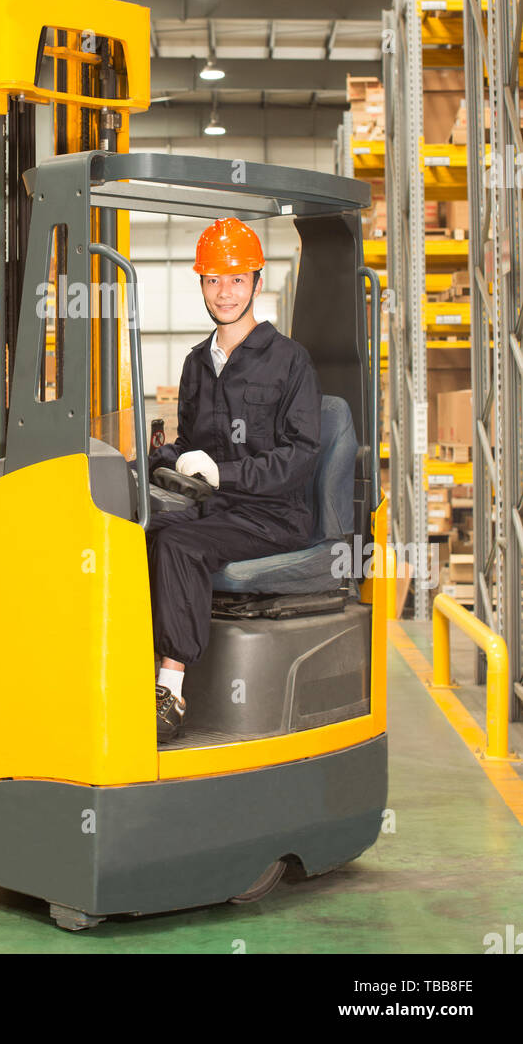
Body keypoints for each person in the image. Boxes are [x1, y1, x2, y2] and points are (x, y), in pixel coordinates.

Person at [147, 217, 323, 743]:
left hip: (274, 514)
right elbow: (192, 443)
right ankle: (130, 666)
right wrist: (155, 459)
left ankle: (170, 690)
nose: (225, 292)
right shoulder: (196, 363)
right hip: (218, 512)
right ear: (201, 284)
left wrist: (222, 474)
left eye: (237, 279)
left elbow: (301, 456)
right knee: (133, 534)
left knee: (178, 543)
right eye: (214, 280)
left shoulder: (290, 361)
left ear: (257, 283)